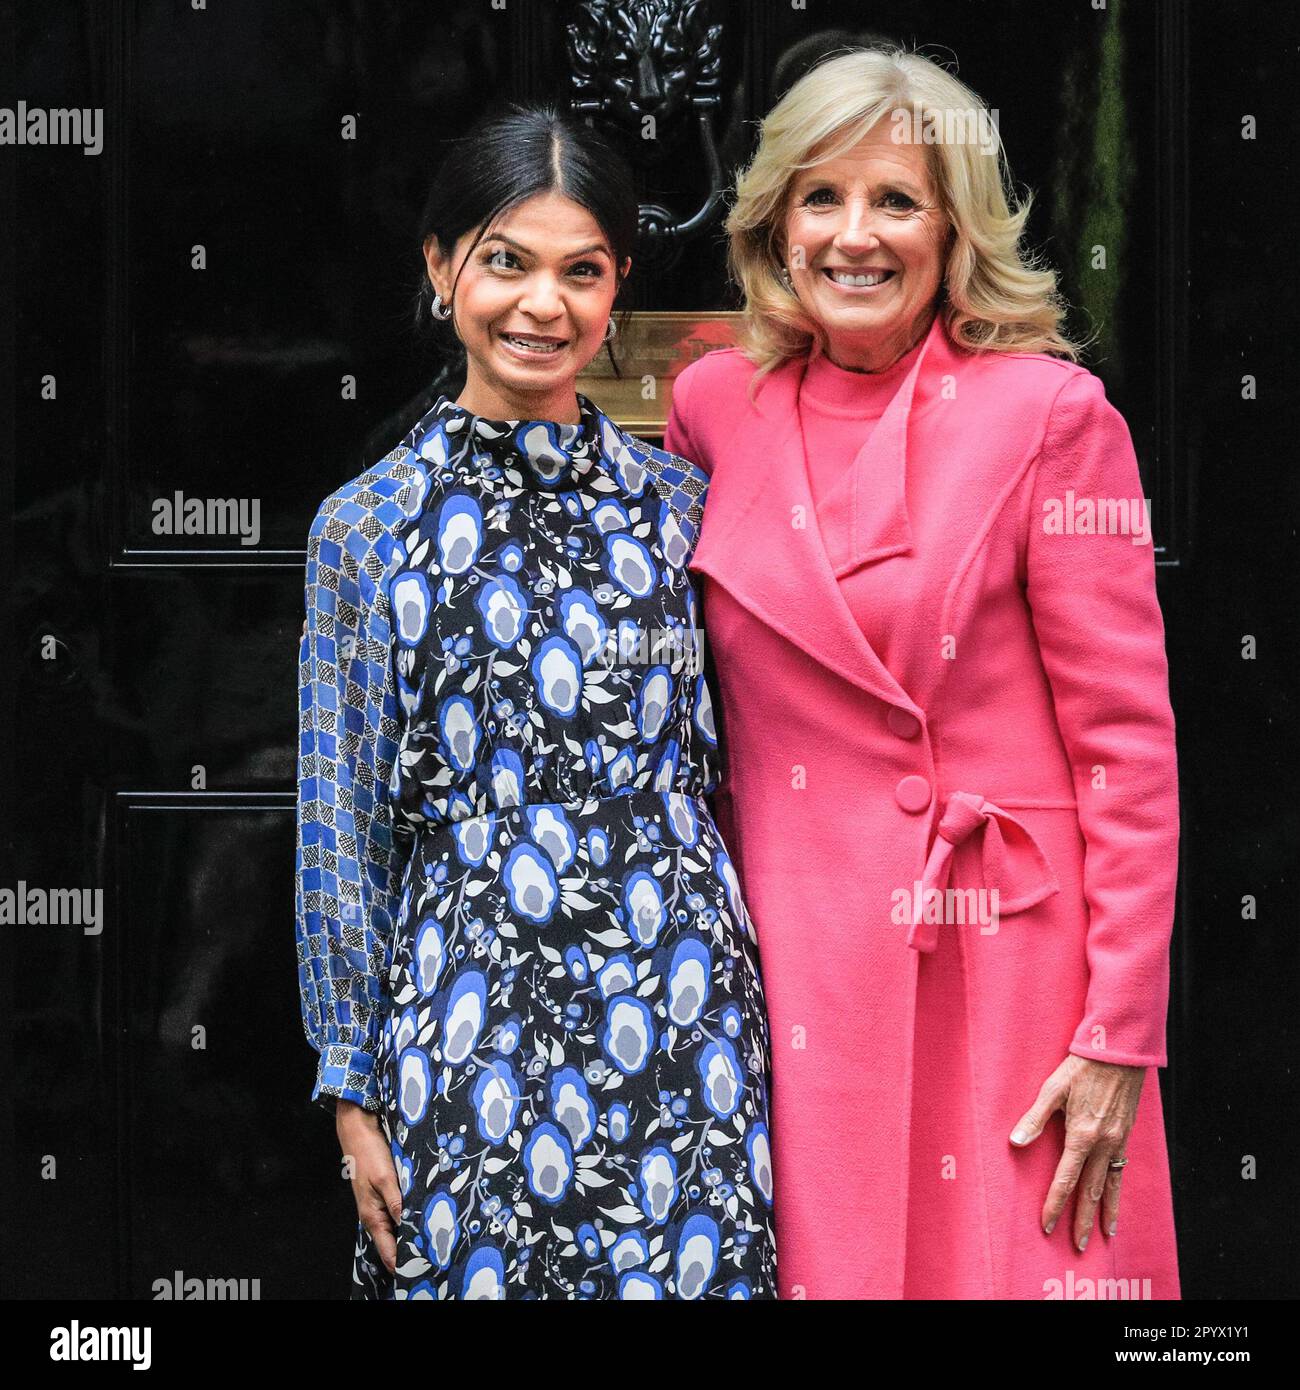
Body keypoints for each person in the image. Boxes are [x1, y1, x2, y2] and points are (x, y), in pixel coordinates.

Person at [663, 45, 1181, 1299]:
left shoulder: (1049, 415)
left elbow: (1125, 745)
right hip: (793, 956)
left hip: (1007, 966)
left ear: (954, 231)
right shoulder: (709, 405)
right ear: (776, 224)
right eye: (821, 197)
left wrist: (1118, 1034)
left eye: (896, 200)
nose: (856, 235)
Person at [294, 104, 777, 1300]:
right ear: (439, 265)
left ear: (617, 292)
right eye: (505, 261)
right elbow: (339, 832)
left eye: (582, 271)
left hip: (681, 1013)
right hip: (469, 1016)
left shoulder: (681, 507)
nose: (540, 305)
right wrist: (354, 1087)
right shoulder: (365, 527)